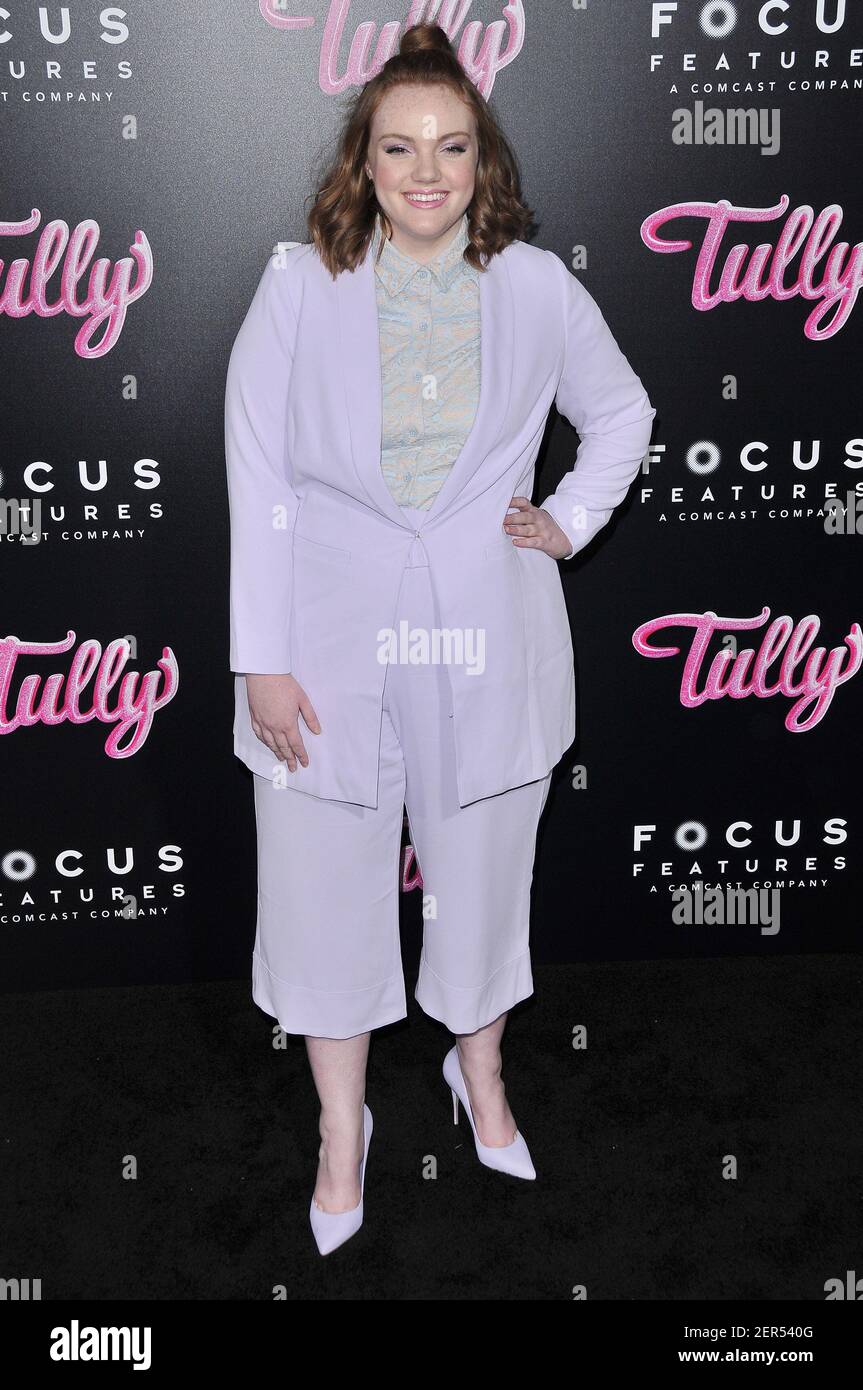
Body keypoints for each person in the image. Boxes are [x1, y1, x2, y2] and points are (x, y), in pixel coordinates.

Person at [224, 21, 655, 1256]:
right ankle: (341, 1133)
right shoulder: (299, 283)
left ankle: (482, 1078)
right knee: (320, 892)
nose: (427, 170)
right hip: (323, 641)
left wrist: (566, 520)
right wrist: (259, 652)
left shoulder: (531, 285)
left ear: (481, 157)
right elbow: (256, 475)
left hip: (484, 631)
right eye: (399, 146)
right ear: (361, 159)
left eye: (451, 145)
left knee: (477, 881)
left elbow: (620, 411)